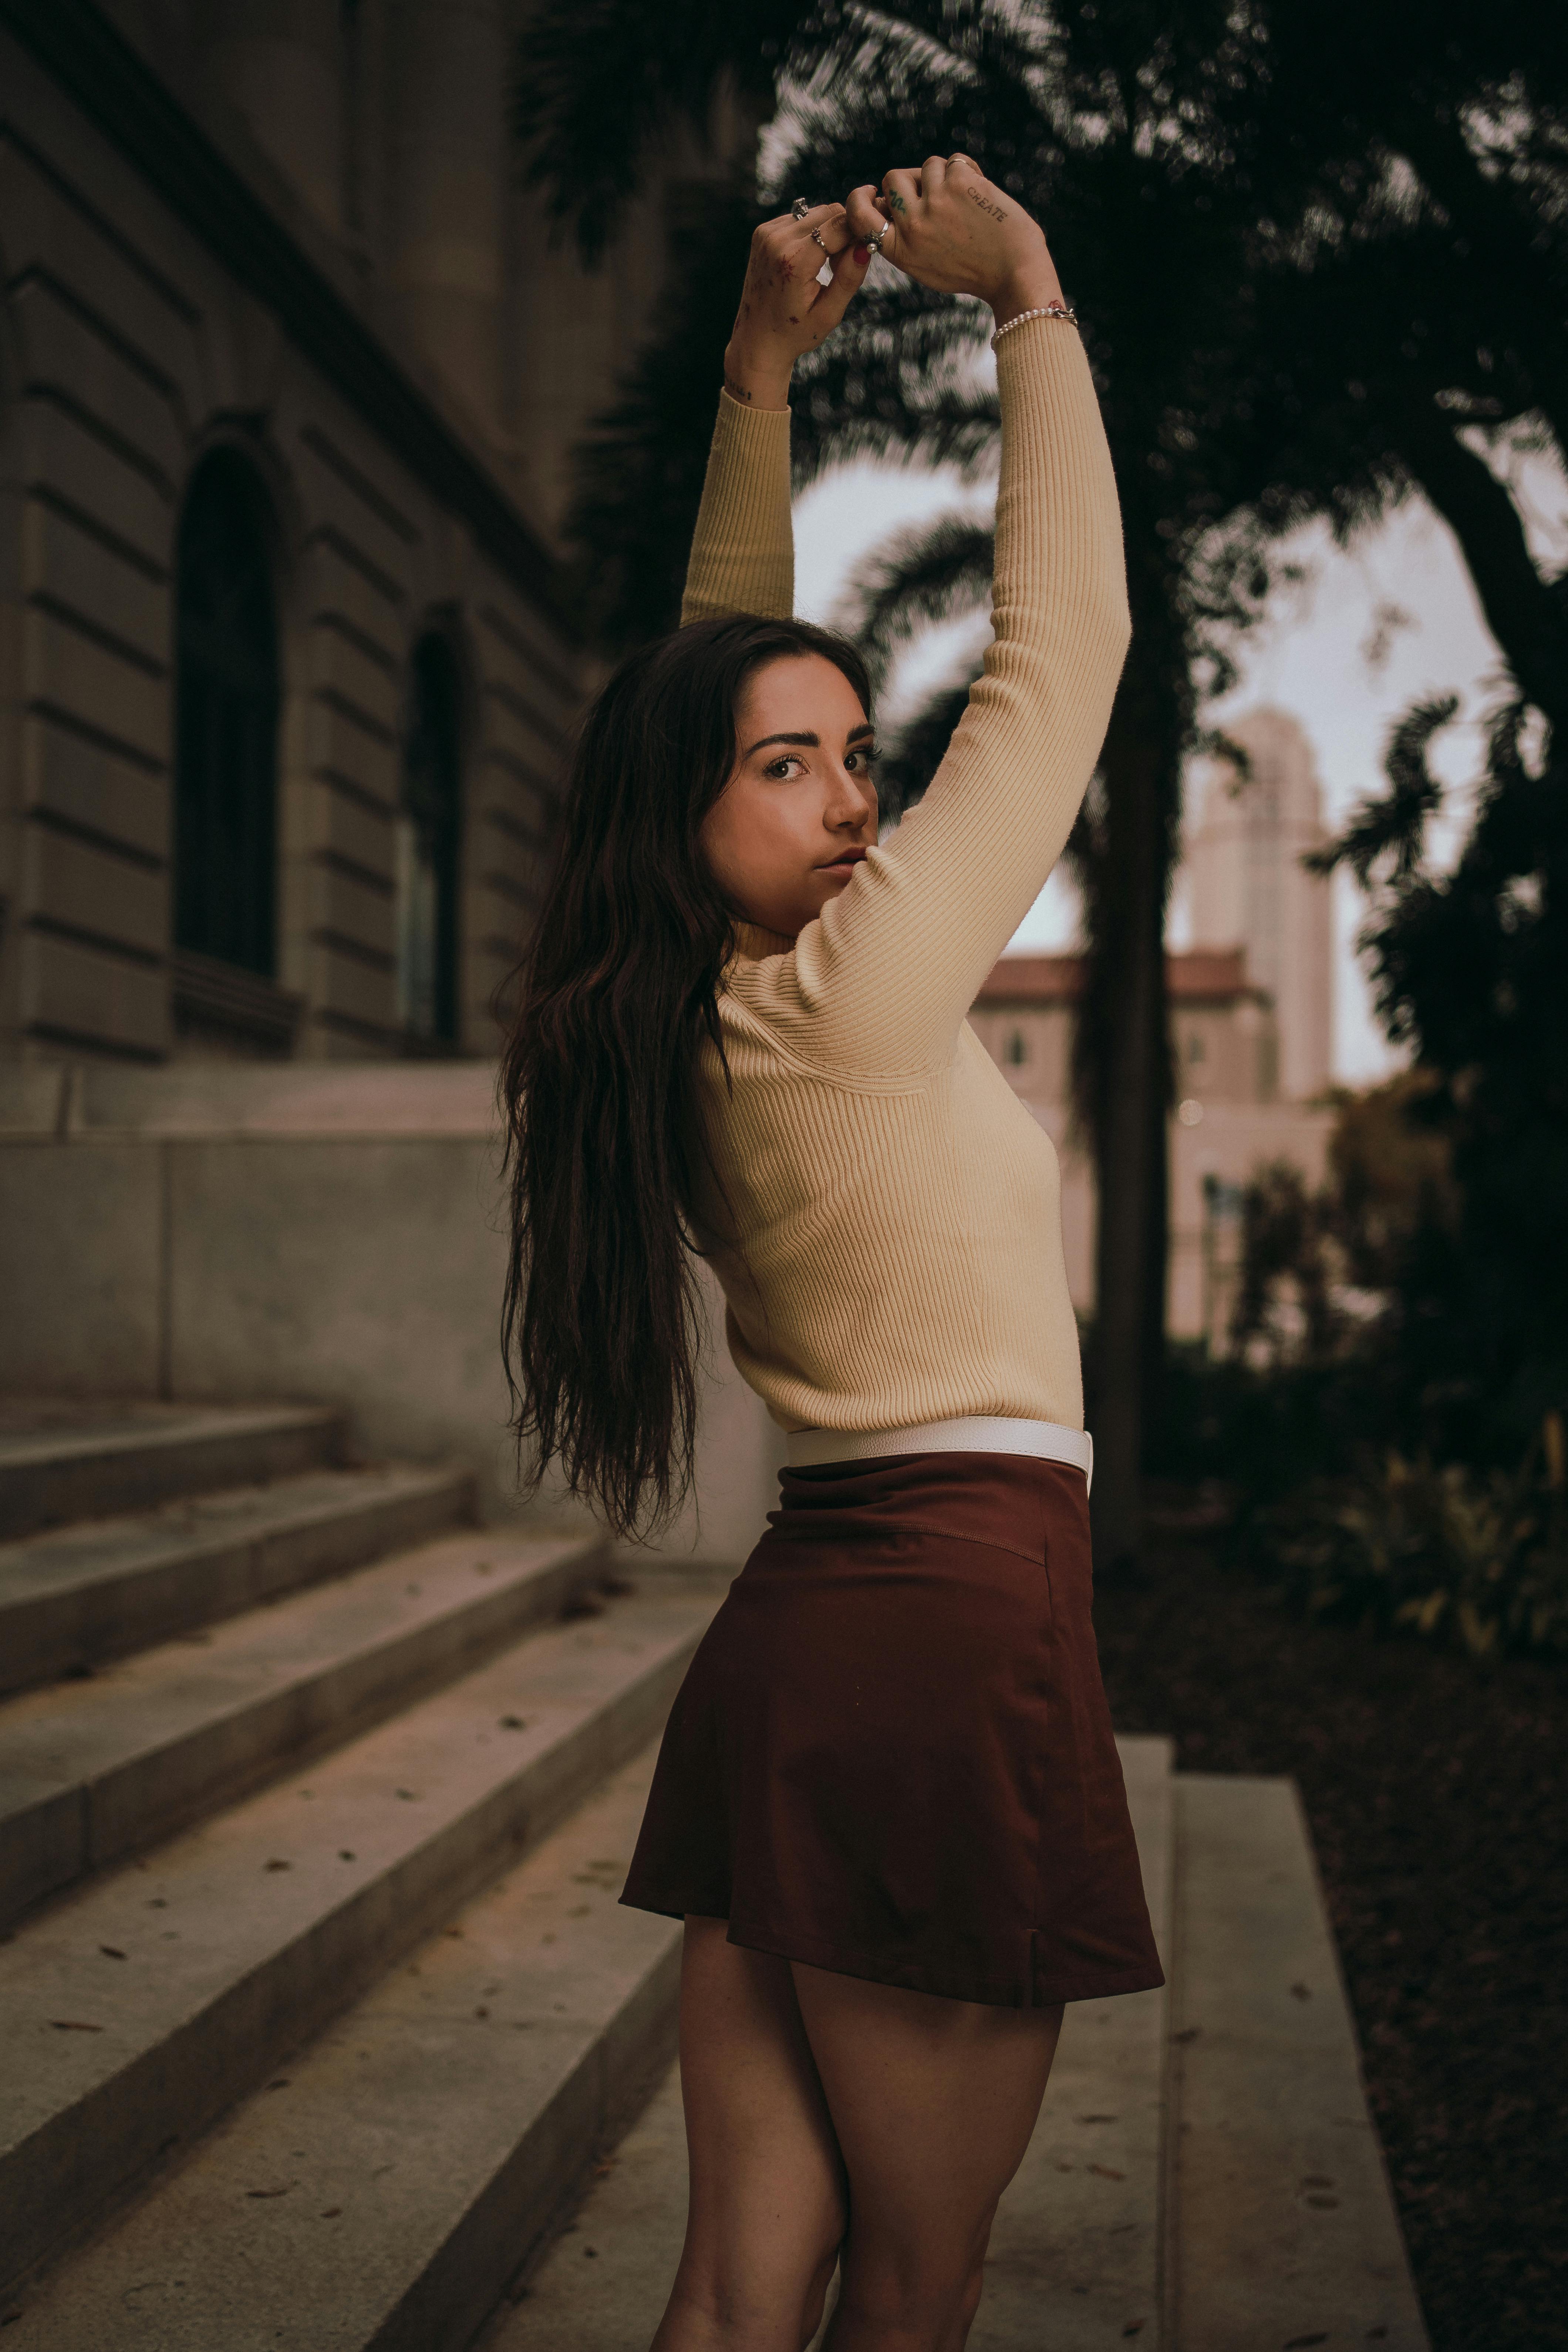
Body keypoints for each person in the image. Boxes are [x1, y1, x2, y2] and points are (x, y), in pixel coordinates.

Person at [500, 156, 1161, 2352]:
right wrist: (1032, 304)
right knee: (917, 2284)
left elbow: (715, 703)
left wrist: (757, 376)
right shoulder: (852, 994)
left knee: (732, 2282)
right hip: (949, 1632)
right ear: (697, 813)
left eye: (865, 757)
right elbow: (1067, 663)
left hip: (809, 1646)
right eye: (808, 772)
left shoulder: (675, 1025)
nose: (863, 798)